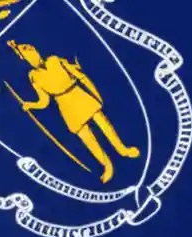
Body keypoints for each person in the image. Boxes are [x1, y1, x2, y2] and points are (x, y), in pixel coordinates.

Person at [8, 40, 140, 184]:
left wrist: (96, 95)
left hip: (77, 93)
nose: (31, 51)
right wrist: (30, 105)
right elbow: (44, 101)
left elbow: (81, 77)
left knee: (104, 124)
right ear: (22, 57)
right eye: (26, 50)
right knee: (86, 137)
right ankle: (107, 165)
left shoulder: (55, 60)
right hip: (64, 104)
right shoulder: (33, 76)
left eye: (31, 48)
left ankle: (122, 150)